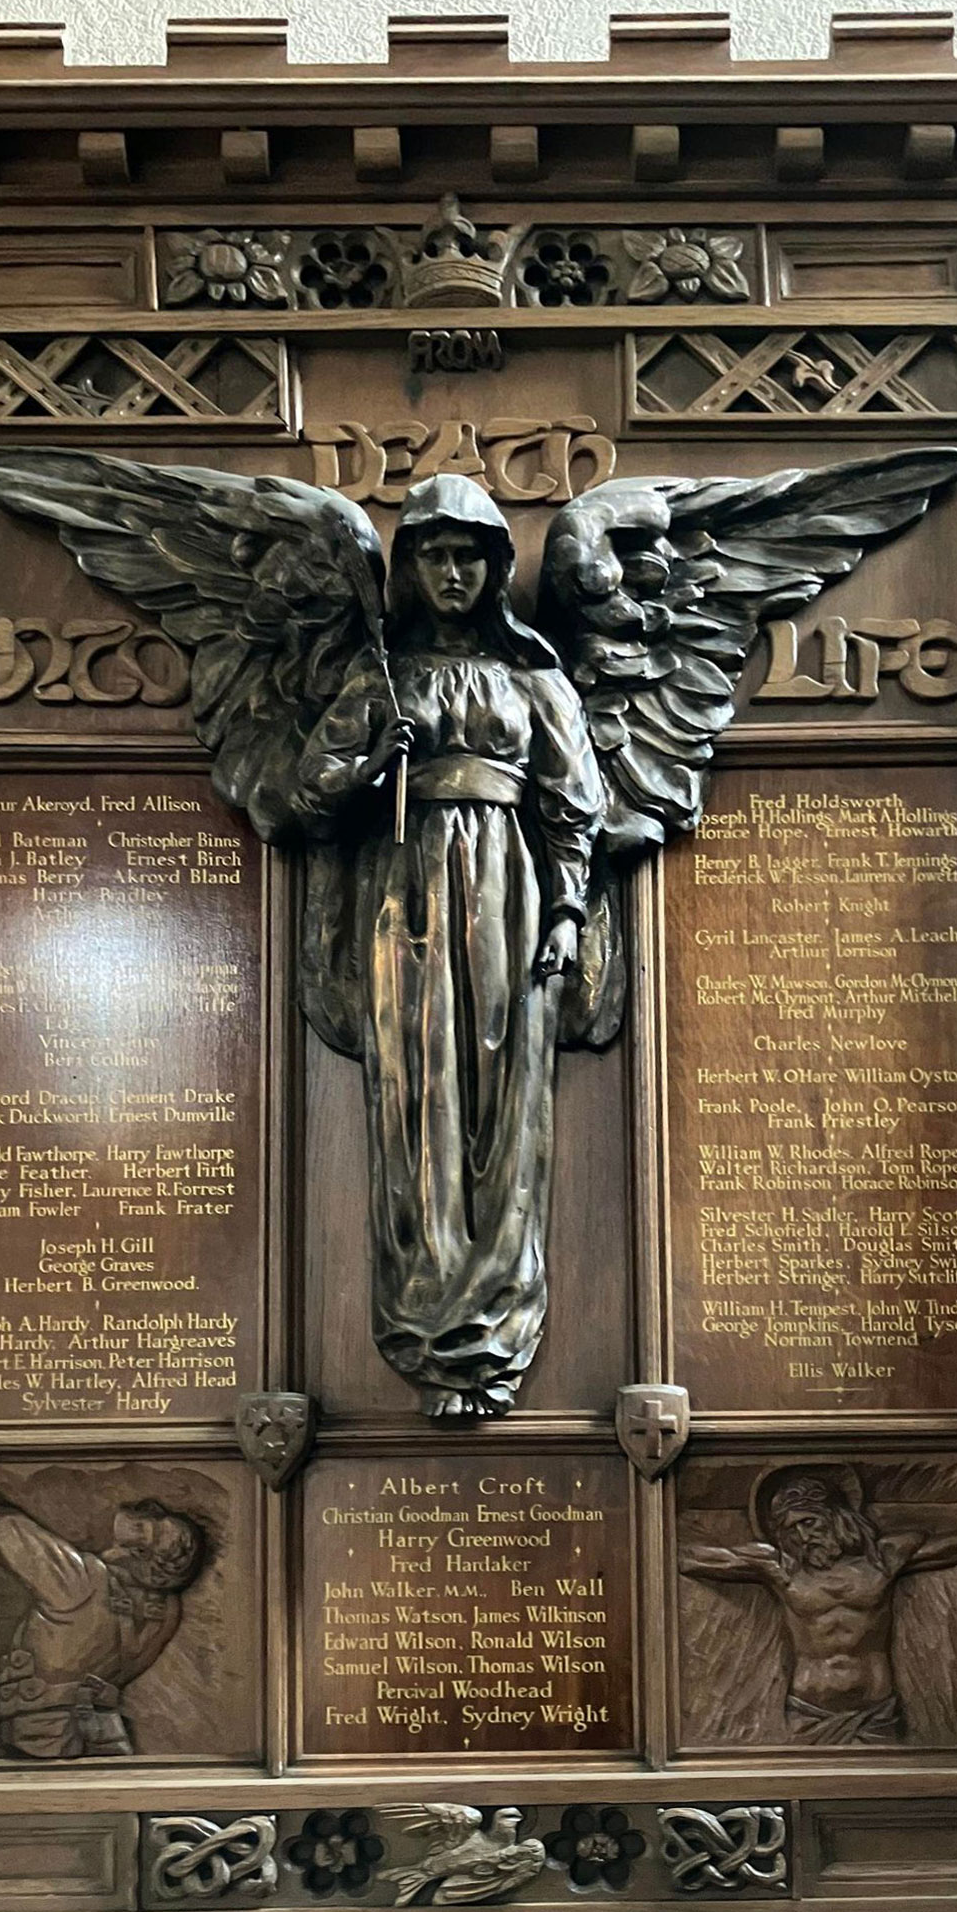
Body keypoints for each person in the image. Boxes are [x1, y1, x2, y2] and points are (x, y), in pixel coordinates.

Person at [294, 474, 608, 1417]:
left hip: (509, 893)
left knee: (506, 1110)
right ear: (411, 570)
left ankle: (496, 1331)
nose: (453, 573)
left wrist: (565, 914)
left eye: (470, 554)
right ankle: (428, 1326)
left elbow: (573, 808)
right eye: (434, 555)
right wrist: (366, 763)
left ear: (497, 567)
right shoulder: (377, 679)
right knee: (415, 1096)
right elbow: (311, 791)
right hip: (406, 892)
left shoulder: (535, 678)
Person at [677, 1467, 957, 1745]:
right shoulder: (780, 1568)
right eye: (790, 1529)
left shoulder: (882, 1561)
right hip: (810, 1712)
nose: (802, 1535)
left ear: (835, 1516)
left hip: (876, 1710)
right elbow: (693, 1560)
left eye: (809, 1522)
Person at [0, 1474, 206, 1759]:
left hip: (44, 1728)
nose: (141, 1515)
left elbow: (18, 1538)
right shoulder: (165, 1611)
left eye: (143, 1527)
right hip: (106, 1727)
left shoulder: (82, 1582)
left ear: (140, 1554)